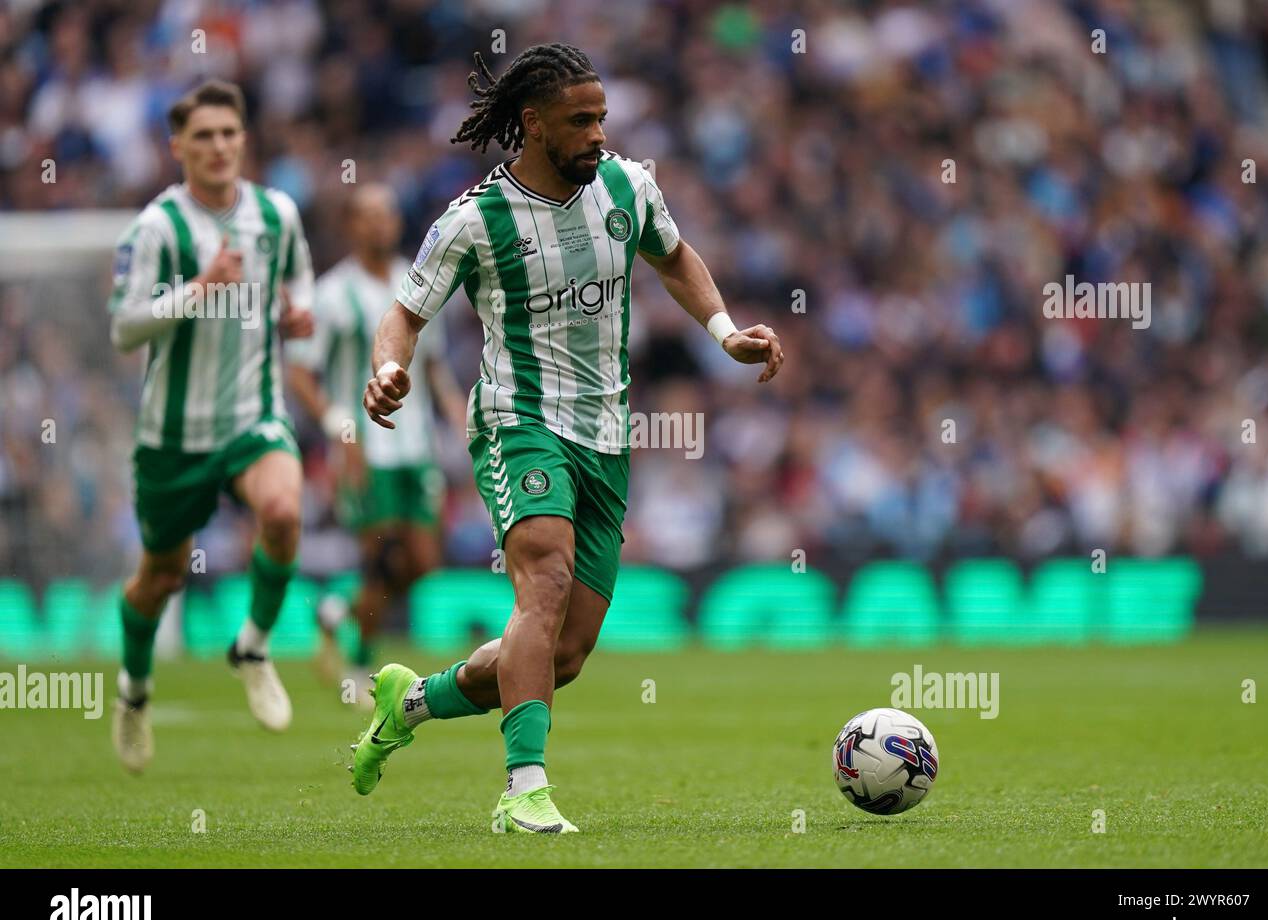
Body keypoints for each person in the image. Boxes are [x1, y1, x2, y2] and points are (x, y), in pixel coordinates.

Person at [352, 43, 783, 833]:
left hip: (607, 435)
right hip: (518, 421)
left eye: (602, 119)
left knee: (562, 654)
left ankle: (409, 703)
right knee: (541, 583)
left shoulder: (627, 185)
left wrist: (724, 332)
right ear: (533, 123)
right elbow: (407, 312)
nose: (596, 135)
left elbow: (675, 255)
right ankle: (525, 790)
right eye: (579, 122)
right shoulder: (474, 219)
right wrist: (387, 370)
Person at [107, 79, 314, 772]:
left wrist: (297, 315)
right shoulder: (157, 228)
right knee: (159, 578)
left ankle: (251, 646)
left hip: (252, 417)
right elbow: (124, 328)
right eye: (203, 136)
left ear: (244, 138)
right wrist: (200, 288)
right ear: (178, 148)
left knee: (284, 511)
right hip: (172, 439)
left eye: (229, 132)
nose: (219, 146)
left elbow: (299, 284)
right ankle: (134, 692)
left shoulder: (277, 214)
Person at [286, 183, 464, 704]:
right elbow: (300, 373)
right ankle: (359, 669)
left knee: (424, 562)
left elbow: (432, 365)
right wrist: (341, 429)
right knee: (382, 559)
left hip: (418, 448)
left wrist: (457, 414)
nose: (381, 225)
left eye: (387, 215)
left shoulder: (418, 281)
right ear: (350, 226)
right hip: (365, 444)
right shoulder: (332, 293)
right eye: (368, 216)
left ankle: (337, 611)